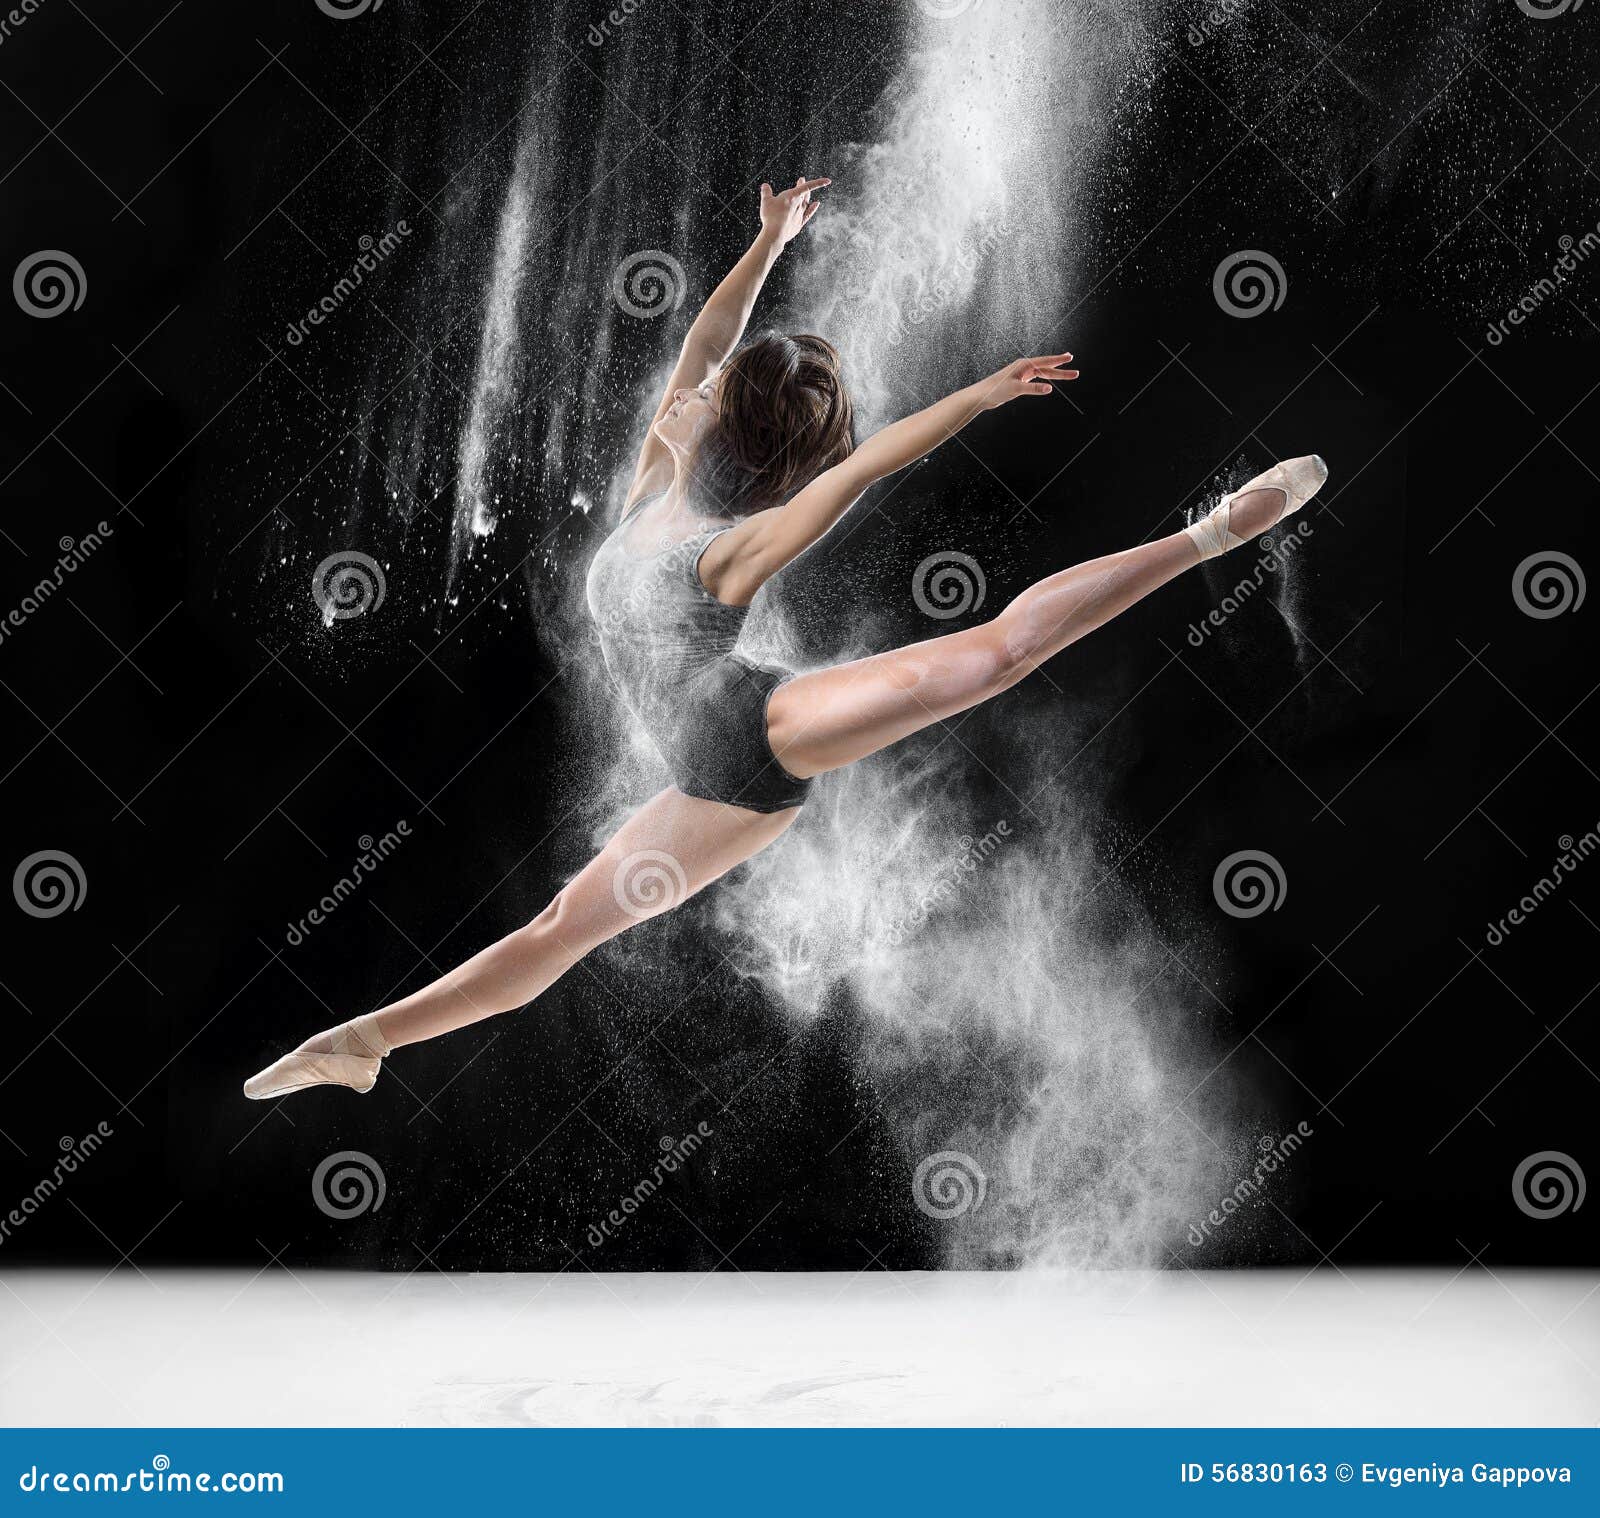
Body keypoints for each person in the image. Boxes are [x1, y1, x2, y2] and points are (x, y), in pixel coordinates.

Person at [245, 175, 1326, 1099]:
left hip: (753, 734)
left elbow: (859, 469)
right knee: (552, 938)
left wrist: (976, 398)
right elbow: (712, 338)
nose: (690, 381)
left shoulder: (725, 547)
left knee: (994, 656)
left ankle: (1210, 533)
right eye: (701, 384)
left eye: (705, 392)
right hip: (700, 786)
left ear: (719, 429)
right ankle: (364, 1042)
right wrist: (767, 243)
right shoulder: (652, 485)